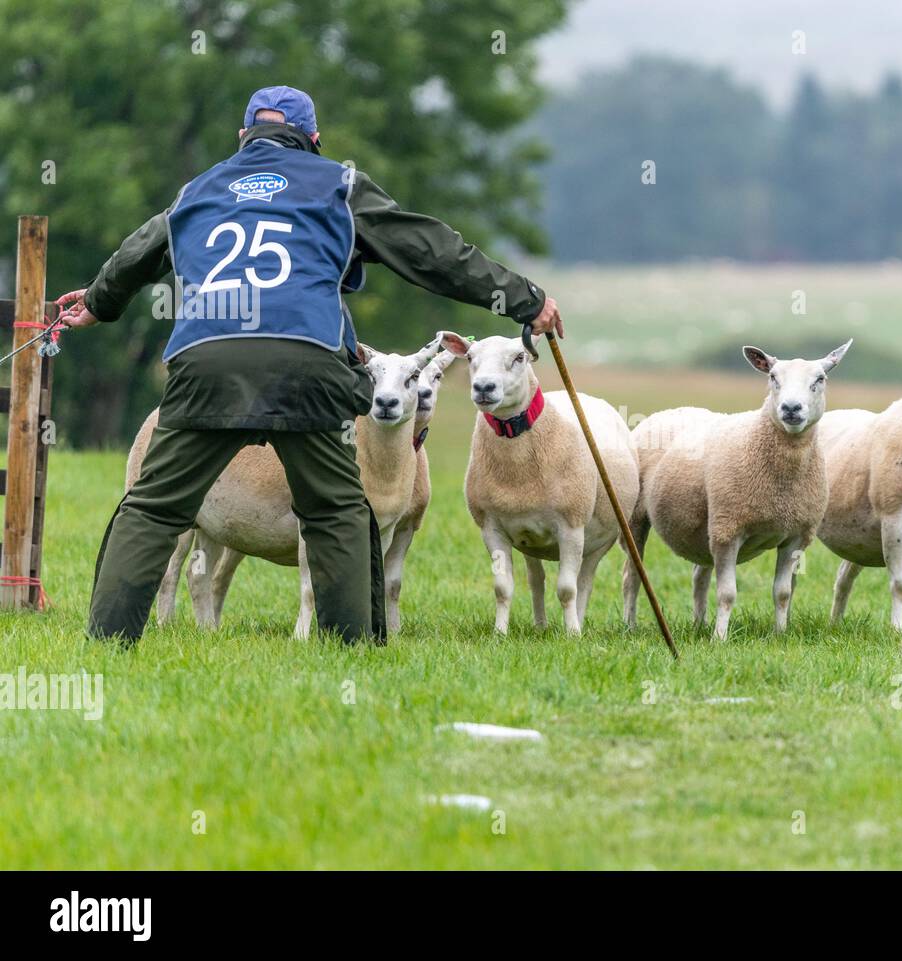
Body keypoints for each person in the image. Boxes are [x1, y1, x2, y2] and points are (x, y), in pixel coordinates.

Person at [55, 85, 562, 644]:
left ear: (242, 137)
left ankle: (104, 644)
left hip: (206, 363)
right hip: (307, 362)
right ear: (314, 141)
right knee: (338, 509)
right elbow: (432, 251)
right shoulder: (338, 185)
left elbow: (136, 255)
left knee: (152, 506)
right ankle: (353, 648)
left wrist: (98, 304)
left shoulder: (197, 190)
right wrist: (523, 298)